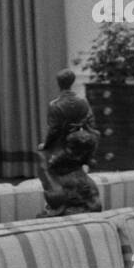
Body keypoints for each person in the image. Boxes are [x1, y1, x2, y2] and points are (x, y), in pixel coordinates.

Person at [37, 69, 101, 216]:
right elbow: (91, 124)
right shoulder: (83, 102)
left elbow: (53, 131)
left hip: (61, 144)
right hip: (80, 144)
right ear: (72, 82)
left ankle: (58, 200)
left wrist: (45, 146)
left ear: (59, 83)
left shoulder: (55, 105)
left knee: (43, 160)